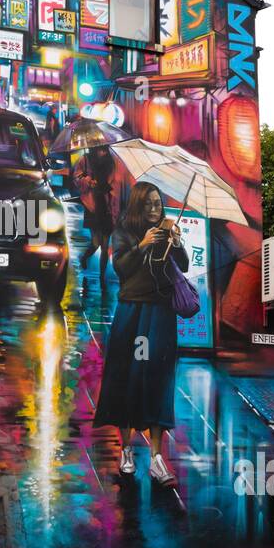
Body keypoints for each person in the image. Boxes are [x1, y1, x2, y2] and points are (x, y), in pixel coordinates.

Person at [92, 182, 189, 486]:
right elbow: (120, 268)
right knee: (127, 378)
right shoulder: (125, 230)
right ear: (137, 205)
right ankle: (127, 450)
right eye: (147, 204)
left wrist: (177, 242)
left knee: (158, 379)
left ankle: (158, 459)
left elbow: (183, 266)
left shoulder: (166, 228)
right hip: (131, 312)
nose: (153, 209)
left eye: (157, 203)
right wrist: (144, 244)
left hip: (160, 314)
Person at [74, 144, 116, 284]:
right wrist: (89, 181)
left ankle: (102, 276)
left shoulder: (110, 162)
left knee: (105, 245)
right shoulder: (85, 160)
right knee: (96, 242)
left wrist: (108, 186)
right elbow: (77, 178)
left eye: (104, 149)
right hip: (92, 205)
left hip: (106, 205)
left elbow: (113, 181)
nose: (102, 152)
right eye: (100, 149)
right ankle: (84, 258)